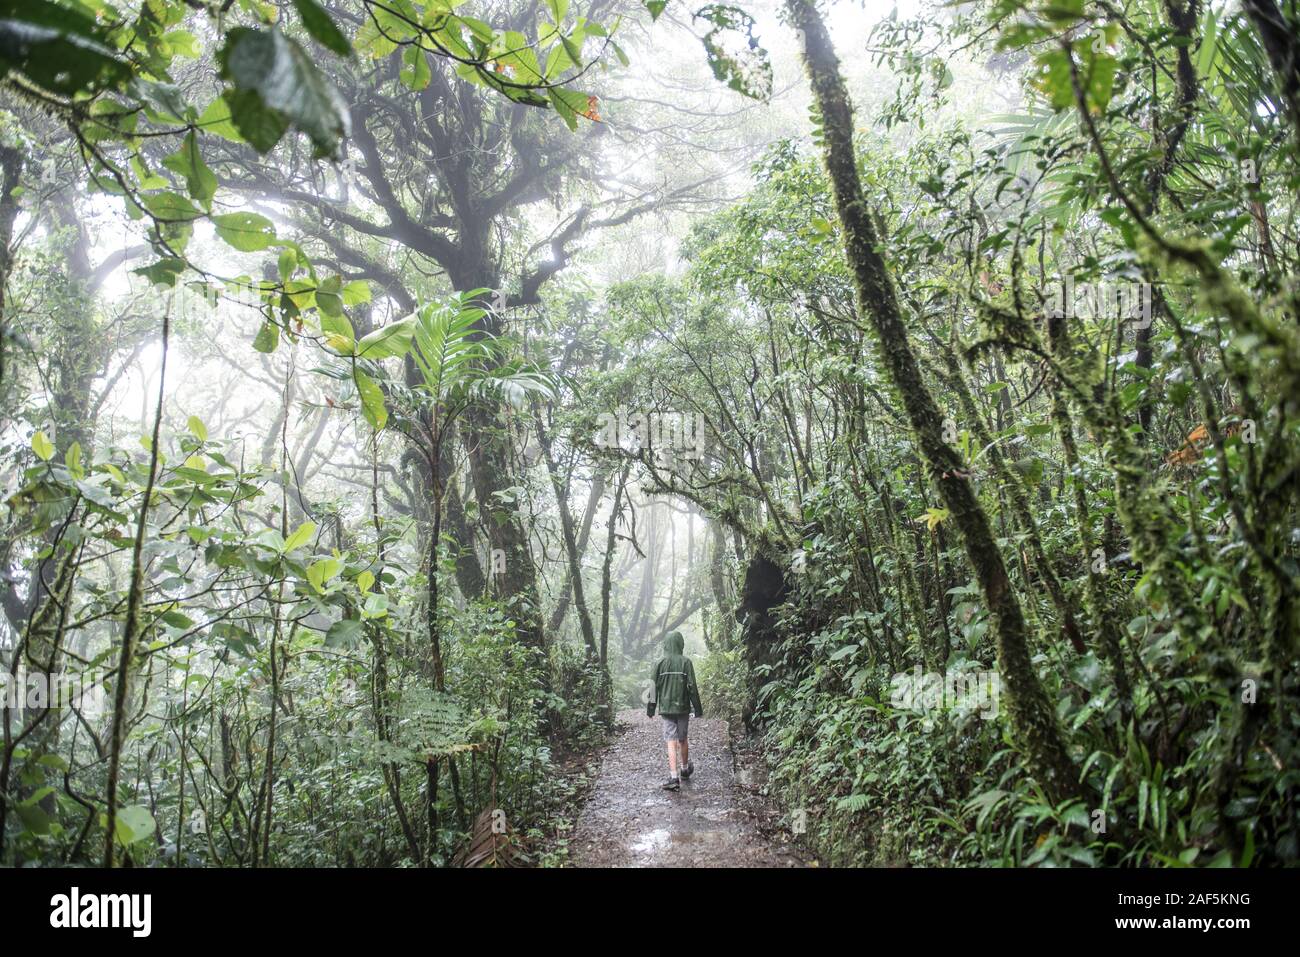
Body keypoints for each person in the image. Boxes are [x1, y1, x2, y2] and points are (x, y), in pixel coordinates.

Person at [645, 630, 704, 791]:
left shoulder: (659, 663)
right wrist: (697, 708)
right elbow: (692, 687)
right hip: (683, 707)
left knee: (671, 741)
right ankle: (684, 769)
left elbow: (652, 687)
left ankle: (673, 778)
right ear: (680, 644)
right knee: (683, 739)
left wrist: (651, 709)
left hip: (666, 708)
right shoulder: (686, 662)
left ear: (665, 644)